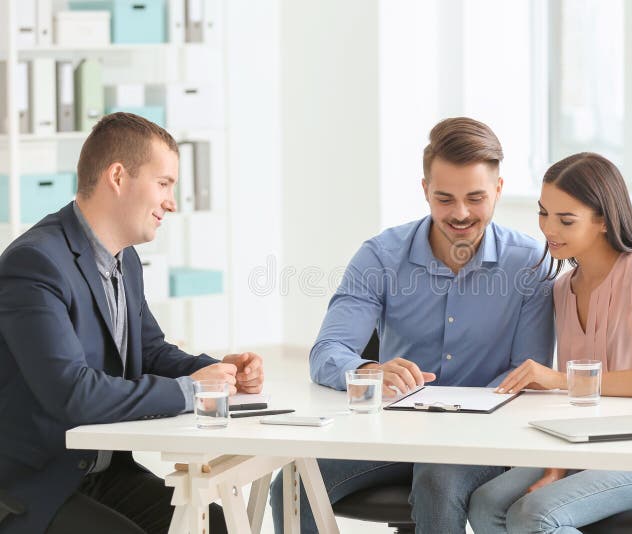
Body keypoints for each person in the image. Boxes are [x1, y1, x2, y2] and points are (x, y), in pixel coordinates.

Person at [269, 117, 555, 533]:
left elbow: (525, 371)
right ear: (425, 191)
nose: (460, 214)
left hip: (483, 435)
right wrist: (369, 371)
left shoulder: (532, 265)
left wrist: (462, 413)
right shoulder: (380, 256)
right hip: (395, 431)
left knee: (437, 480)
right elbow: (327, 352)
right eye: (444, 198)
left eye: (475, 198)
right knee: (292, 485)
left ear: (498, 189)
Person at [0, 112, 264, 534]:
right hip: (37, 487)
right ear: (118, 177)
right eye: (164, 184)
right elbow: (73, 394)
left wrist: (218, 370)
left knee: (211, 525)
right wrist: (193, 390)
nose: (172, 202)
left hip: (99, 473)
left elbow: (151, 350)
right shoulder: (35, 264)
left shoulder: (125, 260)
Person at [467, 152, 632, 534]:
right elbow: (579, 408)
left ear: (603, 220)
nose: (549, 229)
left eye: (566, 219)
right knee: (487, 504)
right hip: (586, 448)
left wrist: (561, 380)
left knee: (532, 515)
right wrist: (557, 465)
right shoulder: (562, 289)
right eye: (543, 213)